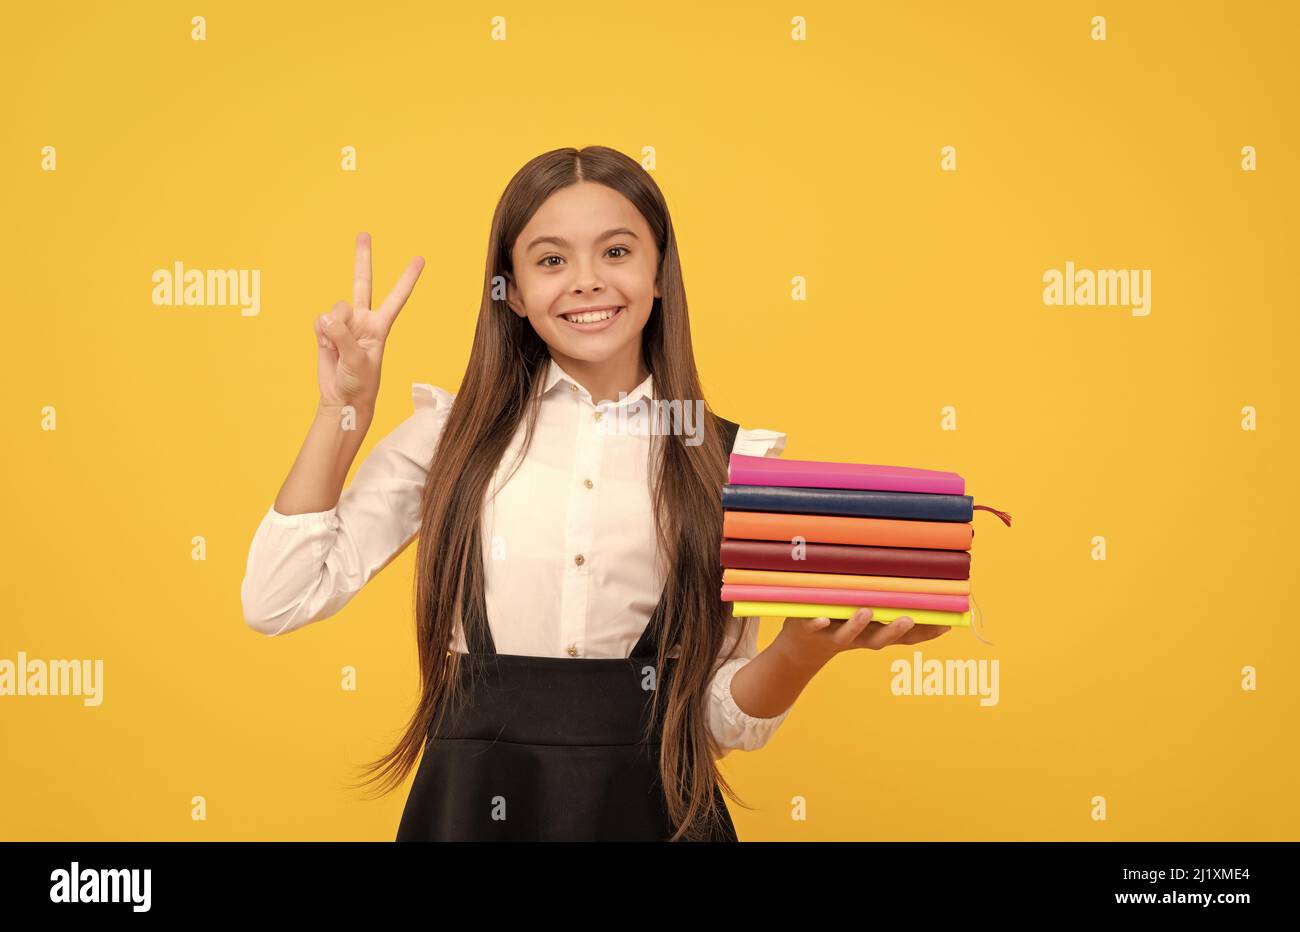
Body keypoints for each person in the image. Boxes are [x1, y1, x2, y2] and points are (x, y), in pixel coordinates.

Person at [240, 145, 950, 842]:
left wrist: (803, 651)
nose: (586, 281)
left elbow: (716, 725)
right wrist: (344, 413)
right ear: (511, 291)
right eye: (551, 260)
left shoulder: (734, 464)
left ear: (660, 273)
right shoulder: (447, 437)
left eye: (616, 252)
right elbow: (279, 596)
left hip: (655, 816)